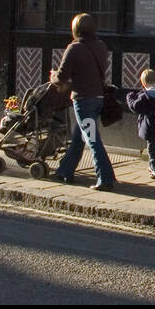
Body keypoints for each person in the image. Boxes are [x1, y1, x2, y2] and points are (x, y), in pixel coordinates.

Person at [51, 12, 116, 191]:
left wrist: (53, 76)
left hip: (83, 101)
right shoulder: (101, 46)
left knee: (92, 139)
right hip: (98, 99)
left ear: (75, 29)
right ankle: (65, 170)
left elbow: (63, 76)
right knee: (80, 137)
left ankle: (105, 177)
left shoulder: (74, 48)